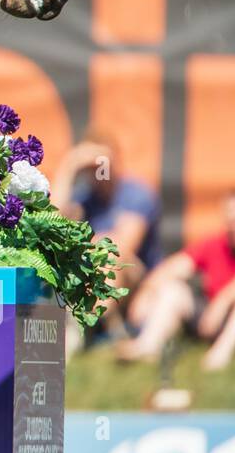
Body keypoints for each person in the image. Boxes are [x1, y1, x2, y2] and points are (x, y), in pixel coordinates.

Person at [119, 189, 235, 371]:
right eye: (232, 218)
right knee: (172, 290)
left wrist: (223, 301)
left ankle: (221, 353)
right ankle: (148, 345)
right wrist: (147, 291)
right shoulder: (215, 243)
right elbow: (175, 268)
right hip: (212, 318)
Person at [50, 126, 161, 325]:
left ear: (116, 161)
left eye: (102, 164)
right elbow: (52, 223)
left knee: (108, 254)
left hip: (137, 281)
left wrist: (85, 243)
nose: (99, 172)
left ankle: (90, 321)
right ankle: (89, 321)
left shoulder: (135, 194)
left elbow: (122, 248)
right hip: (91, 274)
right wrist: (70, 165)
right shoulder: (84, 198)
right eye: (91, 167)